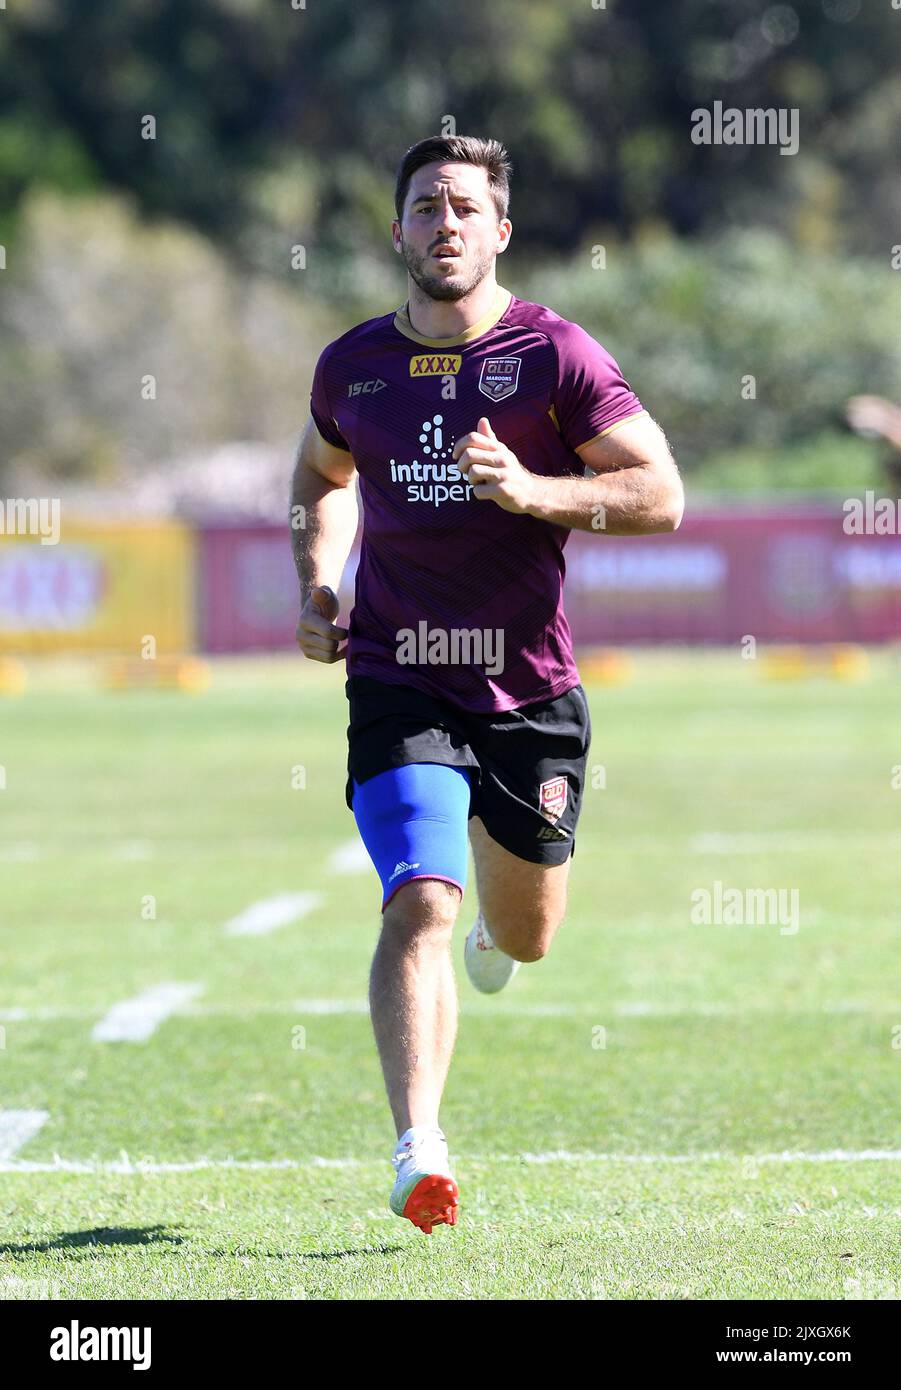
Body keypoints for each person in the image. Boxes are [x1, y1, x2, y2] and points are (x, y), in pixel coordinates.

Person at [291, 135, 683, 1235]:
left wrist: (534, 490)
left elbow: (660, 495)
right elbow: (318, 476)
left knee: (526, 934)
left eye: (466, 207)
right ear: (398, 229)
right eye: (425, 206)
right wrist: (320, 582)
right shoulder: (351, 367)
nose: (446, 224)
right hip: (398, 677)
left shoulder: (553, 354)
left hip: (527, 692)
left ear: (499, 230)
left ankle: (494, 939)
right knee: (420, 895)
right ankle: (419, 1143)